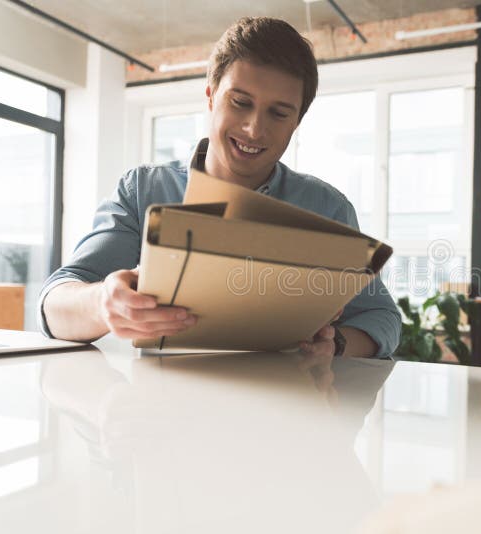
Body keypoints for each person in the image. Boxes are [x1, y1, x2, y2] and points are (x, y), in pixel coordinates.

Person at [39, 17, 401, 358]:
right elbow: (56, 304)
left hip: (284, 408)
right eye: (240, 102)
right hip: (164, 407)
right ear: (211, 97)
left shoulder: (327, 207)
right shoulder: (143, 191)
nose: (255, 129)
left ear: (297, 122)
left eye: (278, 113)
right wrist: (103, 302)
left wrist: (335, 344)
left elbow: (382, 318)